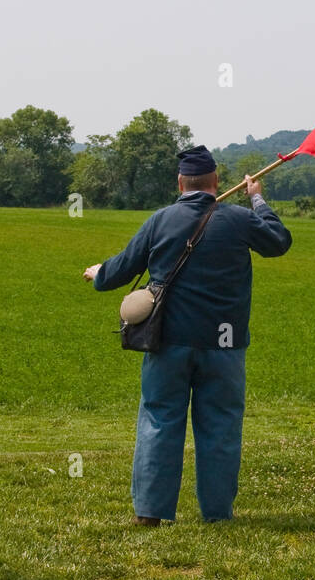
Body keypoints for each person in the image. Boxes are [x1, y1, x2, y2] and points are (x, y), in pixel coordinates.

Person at [83, 145, 291, 524]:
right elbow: (278, 241)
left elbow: (118, 271)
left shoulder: (161, 220)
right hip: (225, 345)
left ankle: (150, 512)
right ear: (216, 182)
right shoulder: (238, 219)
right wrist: (258, 200)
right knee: (221, 426)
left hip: (168, 343)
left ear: (180, 183)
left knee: (160, 421)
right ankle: (216, 513)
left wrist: (99, 275)